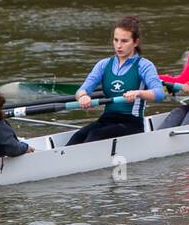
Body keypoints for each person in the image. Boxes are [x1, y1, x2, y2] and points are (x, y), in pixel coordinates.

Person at [67, 15, 165, 146]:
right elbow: (81, 90)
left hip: (131, 124)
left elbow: (159, 94)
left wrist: (139, 93)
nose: (119, 46)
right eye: (116, 40)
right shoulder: (103, 65)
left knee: (95, 136)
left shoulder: (144, 66)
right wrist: (83, 97)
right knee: (78, 137)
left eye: (124, 41)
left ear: (135, 42)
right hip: (106, 119)